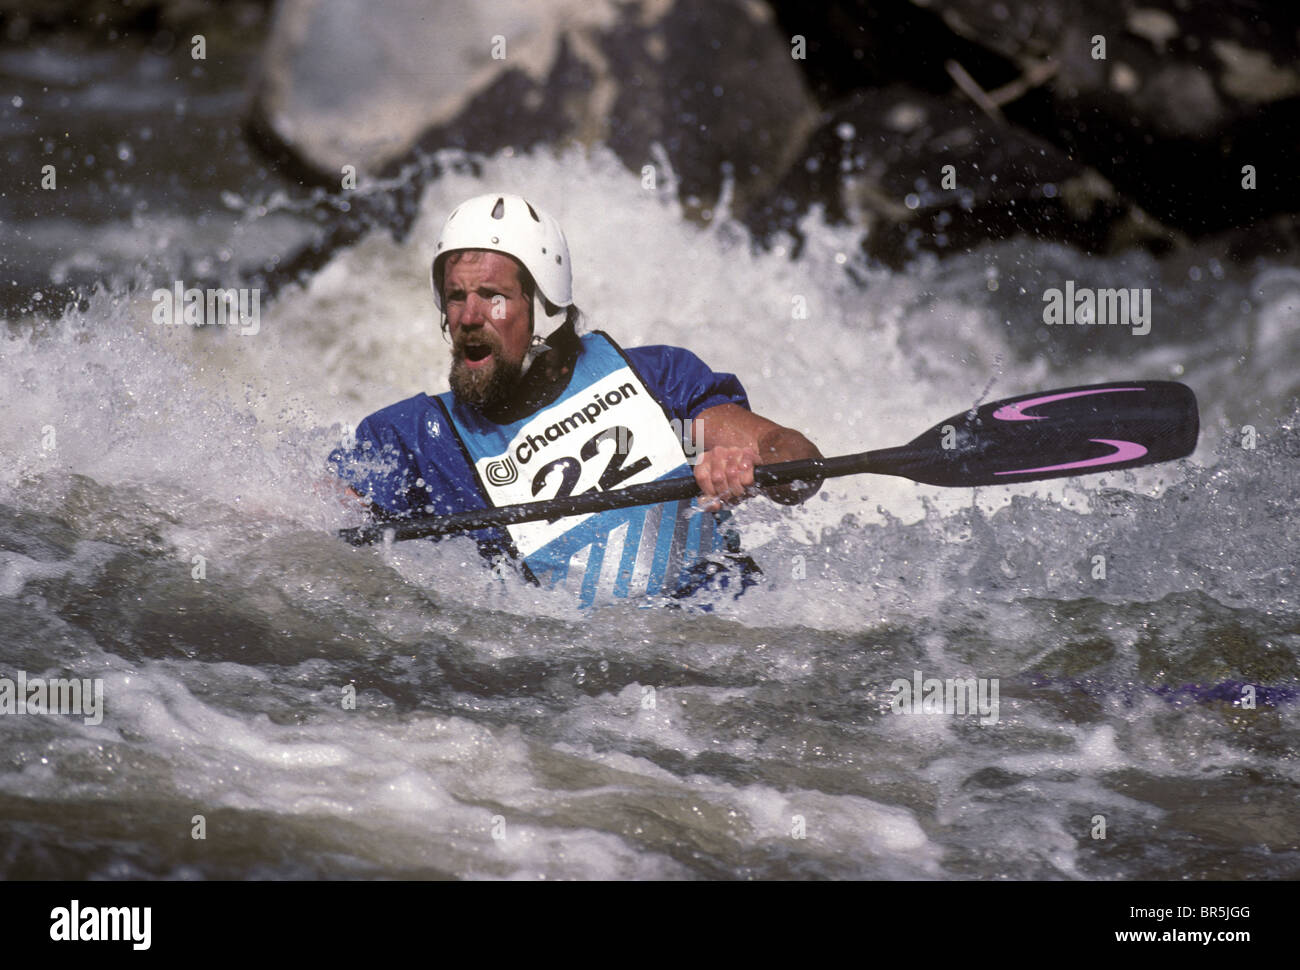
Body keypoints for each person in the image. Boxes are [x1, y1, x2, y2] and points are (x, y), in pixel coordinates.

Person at [329, 193, 822, 606]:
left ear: (543, 307)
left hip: (735, 637)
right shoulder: (418, 438)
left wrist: (748, 468)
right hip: (587, 681)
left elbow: (797, 461)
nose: (469, 316)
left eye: (492, 296)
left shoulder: (656, 379)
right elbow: (312, 531)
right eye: (456, 296)